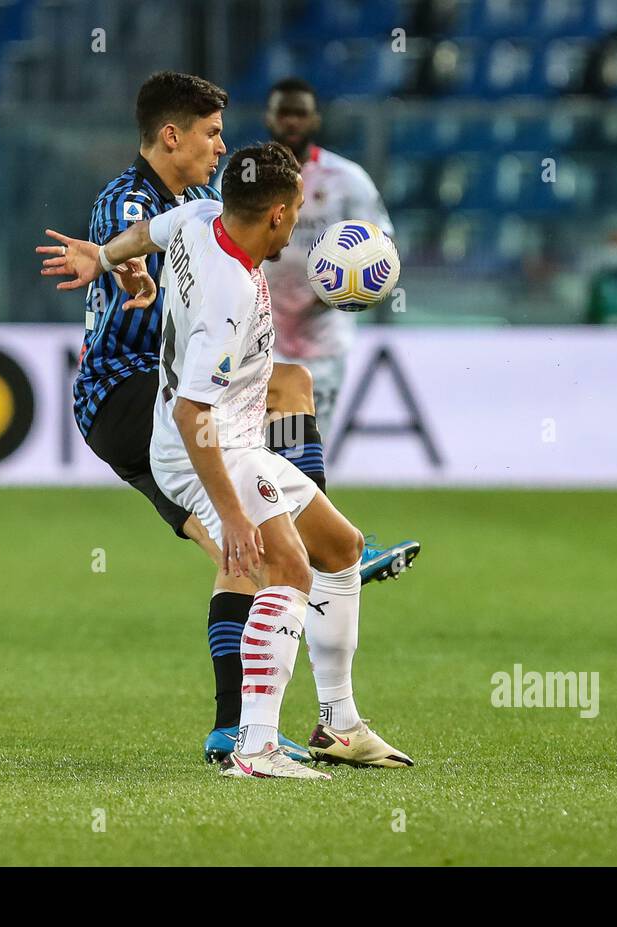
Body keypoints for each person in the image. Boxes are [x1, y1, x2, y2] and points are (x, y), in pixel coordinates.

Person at [39, 72, 418, 765]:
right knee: (260, 560)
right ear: (172, 135)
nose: (220, 147)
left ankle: (328, 718)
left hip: (197, 405)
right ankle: (245, 738)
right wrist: (119, 270)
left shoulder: (195, 211)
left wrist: (108, 258)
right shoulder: (162, 227)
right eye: (211, 133)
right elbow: (190, 396)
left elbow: (157, 235)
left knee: (299, 438)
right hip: (130, 394)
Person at [258, 77, 395, 438]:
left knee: (306, 455)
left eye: (299, 113)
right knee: (257, 457)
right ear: (268, 118)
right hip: (257, 338)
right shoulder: (246, 179)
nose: (291, 122)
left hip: (321, 342)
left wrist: (347, 291)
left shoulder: (348, 180)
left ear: (315, 120)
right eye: (283, 113)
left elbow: (383, 249)